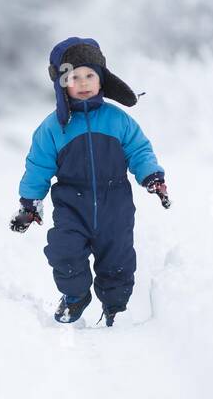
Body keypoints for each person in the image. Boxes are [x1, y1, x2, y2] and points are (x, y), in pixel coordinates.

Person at [9, 37, 169, 325]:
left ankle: (116, 308)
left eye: (90, 75)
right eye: (74, 77)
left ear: (101, 79)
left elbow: (139, 149)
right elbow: (38, 166)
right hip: (72, 205)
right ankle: (75, 297)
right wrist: (29, 204)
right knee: (64, 251)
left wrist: (152, 176)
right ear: (62, 84)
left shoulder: (118, 120)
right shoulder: (54, 128)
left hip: (115, 204)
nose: (83, 82)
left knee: (118, 259)